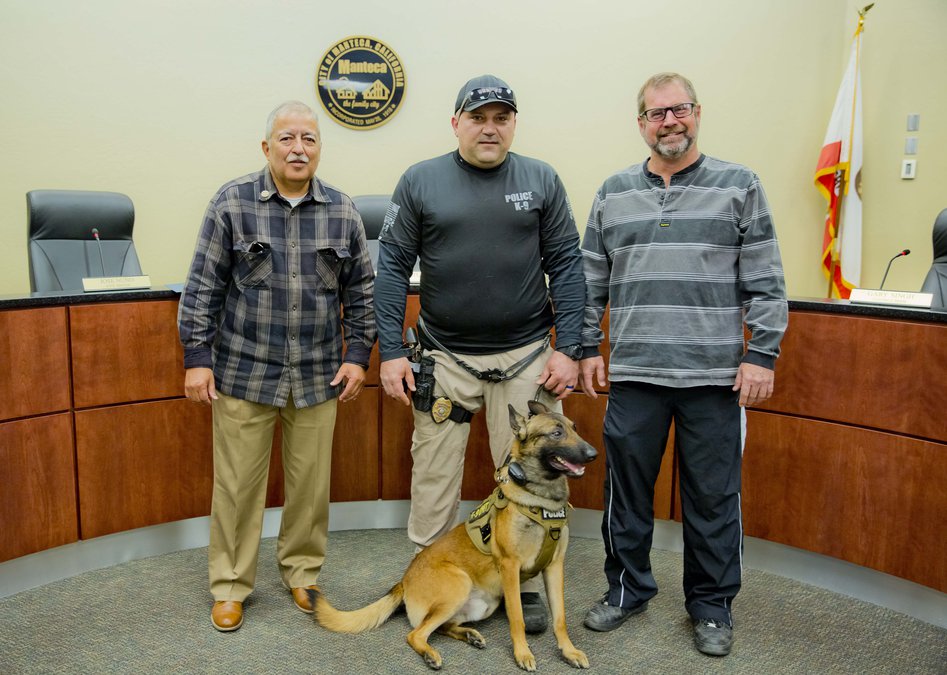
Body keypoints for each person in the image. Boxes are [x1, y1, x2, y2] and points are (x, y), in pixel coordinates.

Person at [578, 72, 788, 657]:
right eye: (656, 113)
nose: (669, 122)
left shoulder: (739, 185)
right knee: (626, 493)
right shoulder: (613, 191)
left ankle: (712, 605)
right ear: (640, 123)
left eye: (679, 110)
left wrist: (762, 355)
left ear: (698, 113)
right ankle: (626, 590)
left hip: (713, 379)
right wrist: (586, 346)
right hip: (636, 374)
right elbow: (590, 280)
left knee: (713, 498)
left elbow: (767, 282)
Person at [373, 75, 587, 633]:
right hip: (446, 359)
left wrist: (572, 350)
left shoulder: (541, 179)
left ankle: (530, 582)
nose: (490, 128)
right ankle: (427, 571)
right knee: (435, 475)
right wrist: (393, 351)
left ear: (513, 124)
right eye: (478, 117)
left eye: (501, 118)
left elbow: (566, 263)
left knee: (532, 478)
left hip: (525, 359)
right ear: (456, 123)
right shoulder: (421, 180)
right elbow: (392, 266)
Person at [177, 101, 376, 632]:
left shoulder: (343, 210)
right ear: (267, 148)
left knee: (310, 487)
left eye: (309, 139)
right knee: (238, 486)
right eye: (287, 138)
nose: (298, 148)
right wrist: (197, 358)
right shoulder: (232, 202)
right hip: (244, 371)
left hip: (318, 374)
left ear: (319, 149)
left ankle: (303, 573)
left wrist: (359, 355)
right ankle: (230, 586)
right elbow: (202, 285)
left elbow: (362, 293)